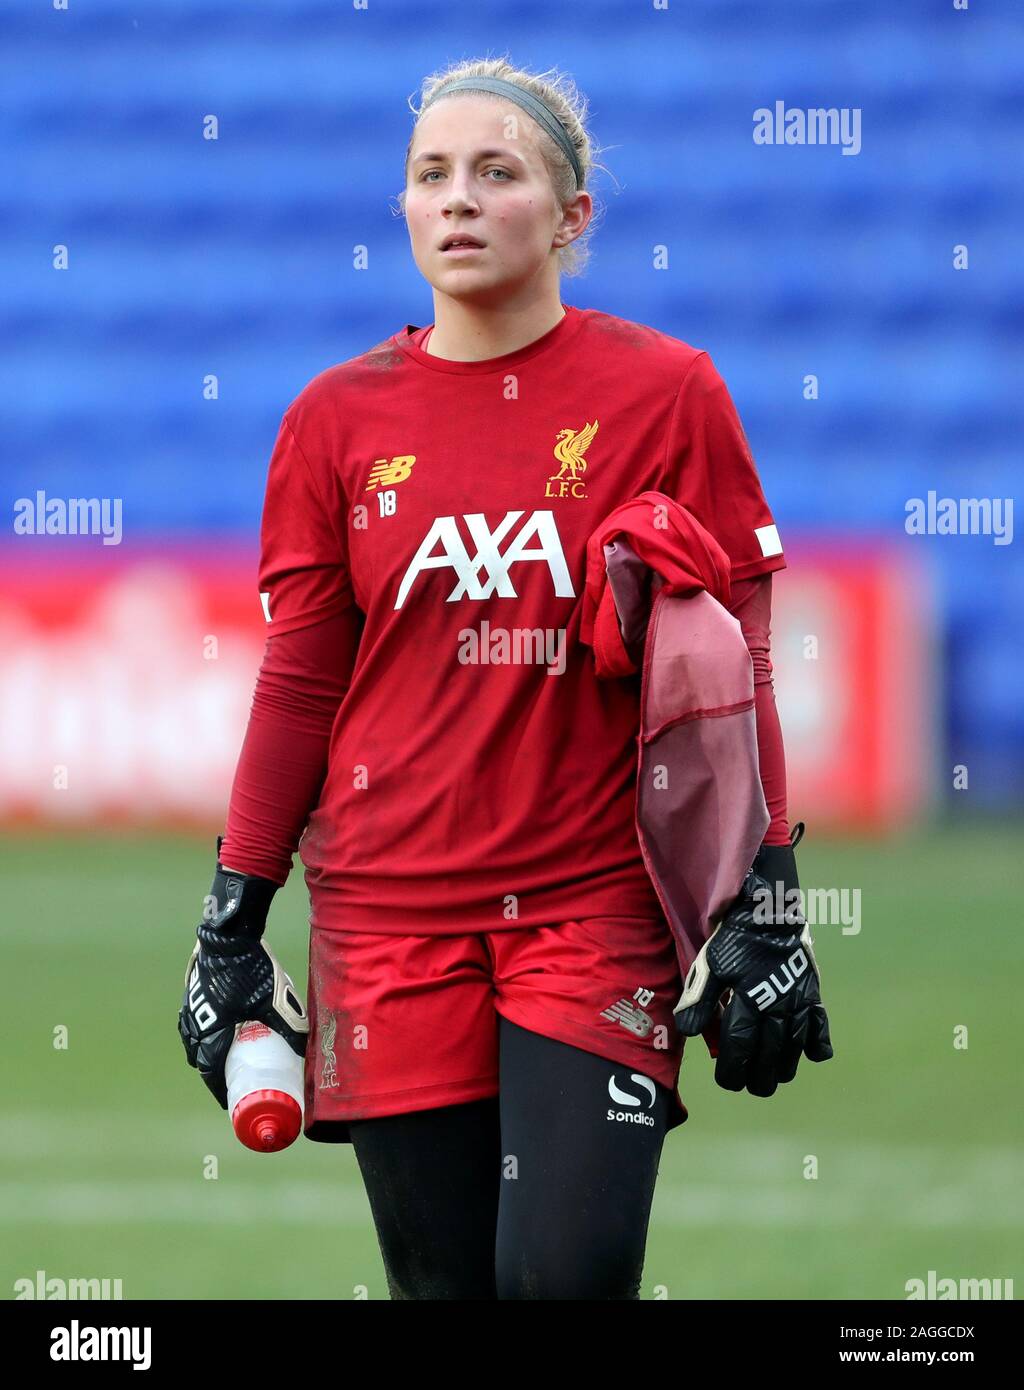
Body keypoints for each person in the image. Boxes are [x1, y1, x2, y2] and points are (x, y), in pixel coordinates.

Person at [178, 55, 831, 1301]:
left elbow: (740, 657)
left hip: (592, 909)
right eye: (431, 175)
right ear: (404, 209)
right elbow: (301, 685)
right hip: (385, 920)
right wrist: (230, 920)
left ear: (571, 214)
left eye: (496, 172)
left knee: (566, 1278)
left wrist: (771, 890)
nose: (459, 200)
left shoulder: (668, 391)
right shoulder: (334, 420)